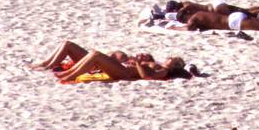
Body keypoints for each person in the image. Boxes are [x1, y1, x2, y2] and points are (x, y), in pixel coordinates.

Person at [30, 42, 195, 82]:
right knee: (68, 44)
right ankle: (46, 64)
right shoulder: (156, 63)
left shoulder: (163, 71)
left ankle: (68, 75)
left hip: (122, 73)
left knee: (95, 55)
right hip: (121, 67)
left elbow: (146, 77)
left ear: (174, 65)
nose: (169, 58)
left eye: (172, 59)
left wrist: (137, 63)